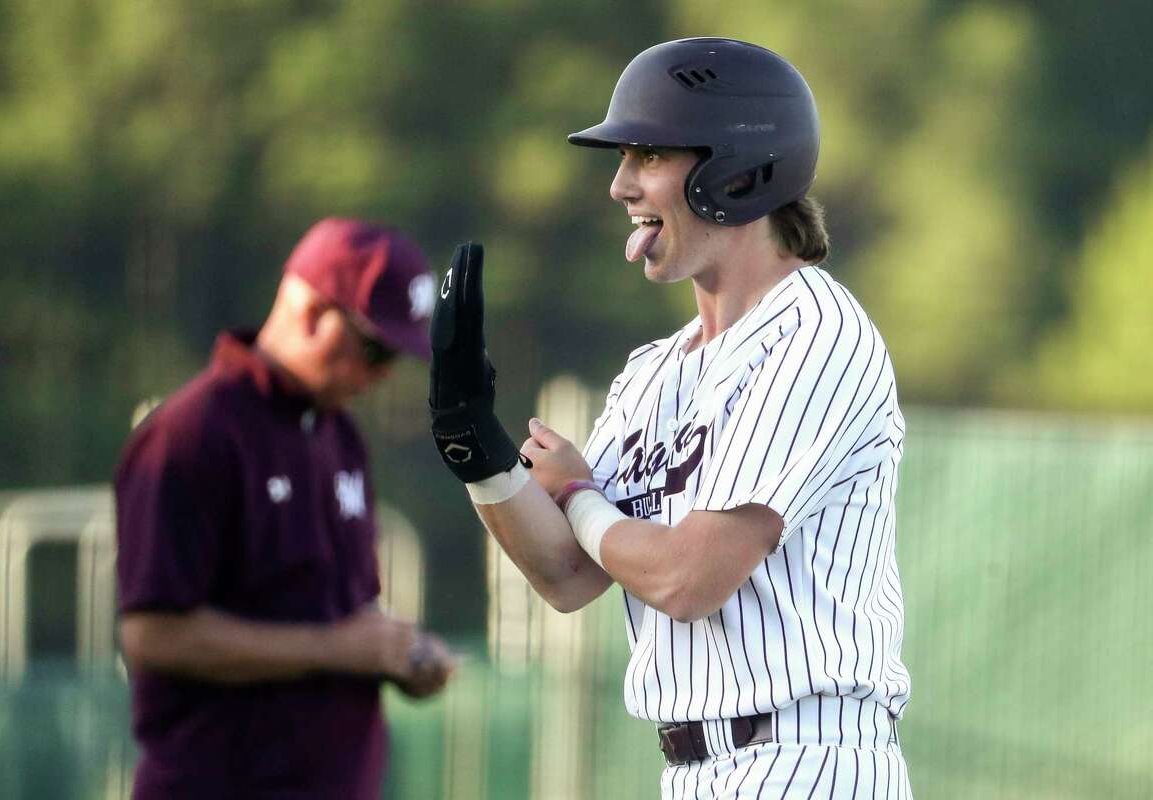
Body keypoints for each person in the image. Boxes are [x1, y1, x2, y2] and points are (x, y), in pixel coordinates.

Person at [429, 39, 912, 798]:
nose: (621, 185)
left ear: (741, 169)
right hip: (695, 771)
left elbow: (689, 578)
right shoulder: (654, 370)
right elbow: (569, 573)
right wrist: (475, 445)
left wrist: (579, 495)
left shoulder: (817, 331)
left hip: (805, 759)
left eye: (648, 154)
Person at [115, 218, 457, 800]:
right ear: (311, 310)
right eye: (374, 348)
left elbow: (340, 612)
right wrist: (342, 650)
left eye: (395, 357)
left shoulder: (339, 436)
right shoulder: (191, 434)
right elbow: (152, 634)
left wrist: (397, 654)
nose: (380, 376)